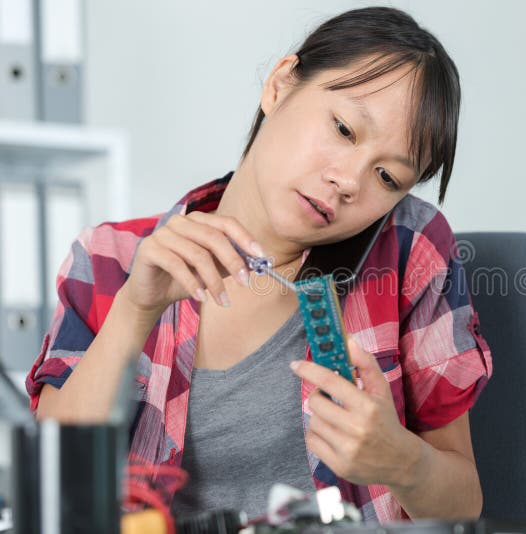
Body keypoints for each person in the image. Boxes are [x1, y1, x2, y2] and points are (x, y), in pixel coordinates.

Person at [26, 6, 492, 523]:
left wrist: (402, 462)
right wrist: (136, 308)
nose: (350, 181)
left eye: (387, 178)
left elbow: (463, 505)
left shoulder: (409, 249)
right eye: (342, 128)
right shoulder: (110, 260)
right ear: (280, 85)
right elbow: (52, 488)